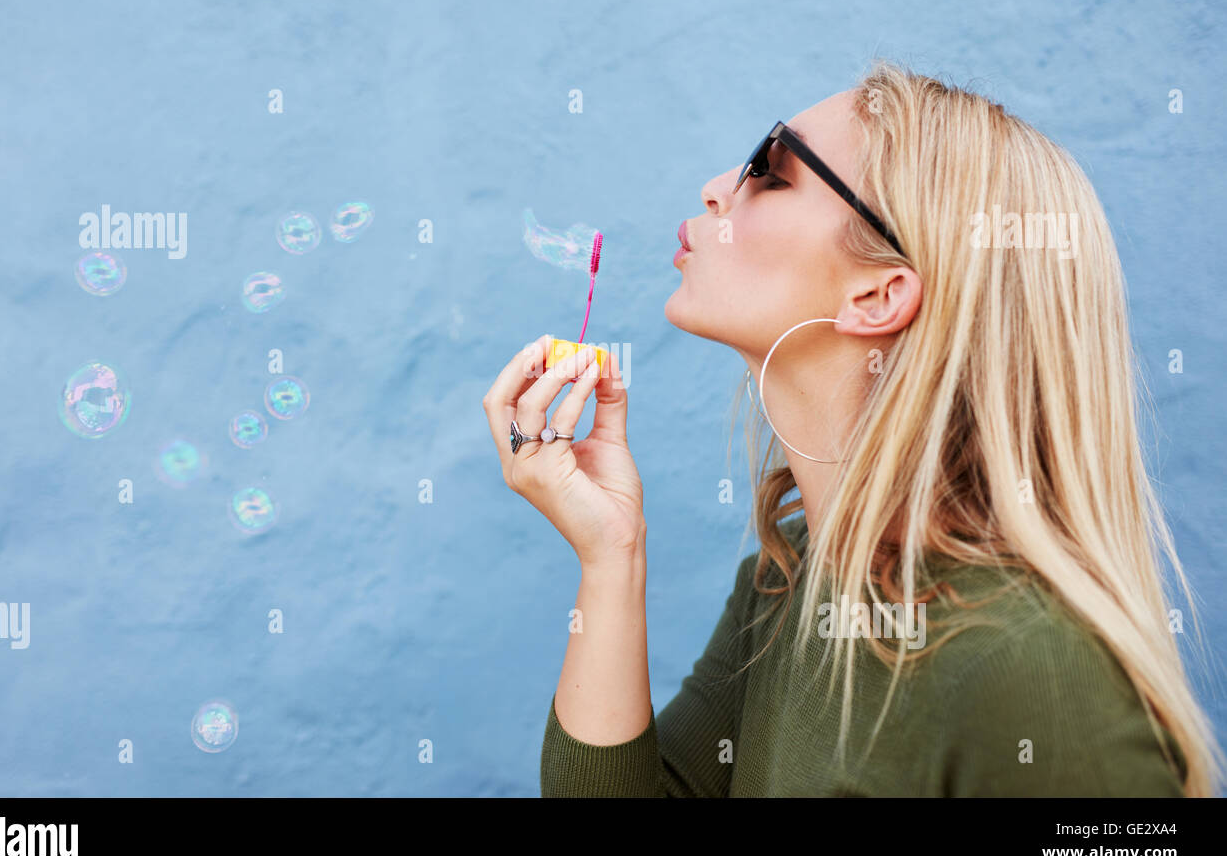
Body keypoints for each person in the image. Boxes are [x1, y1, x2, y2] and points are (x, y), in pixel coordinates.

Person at [481, 60, 1223, 796]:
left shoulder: (1036, 677)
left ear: (876, 296)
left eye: (769, 172)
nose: (716, 189)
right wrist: (613, 556)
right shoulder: (793, 577)